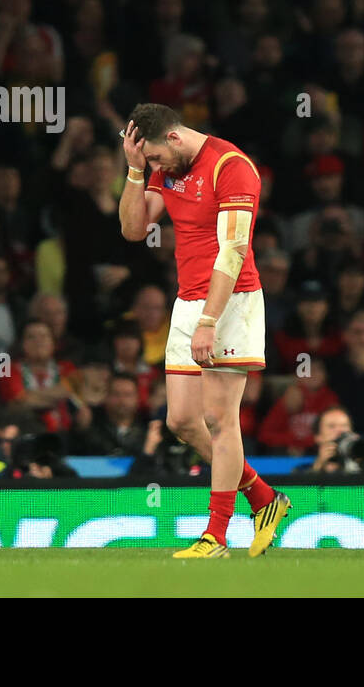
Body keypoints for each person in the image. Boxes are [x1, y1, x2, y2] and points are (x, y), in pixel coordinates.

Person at [119, 102, 289, 558]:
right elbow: (134, 230)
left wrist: (209, 322)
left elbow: (233, 252)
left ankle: (215, 535)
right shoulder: (161, 167)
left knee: (218, 418)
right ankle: (263, 498)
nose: (156, 167)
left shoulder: (232, 167)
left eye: (153, 158)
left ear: (173, 137)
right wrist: (136, 172)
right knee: (180, 421)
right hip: (187, 300)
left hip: (231, 301)